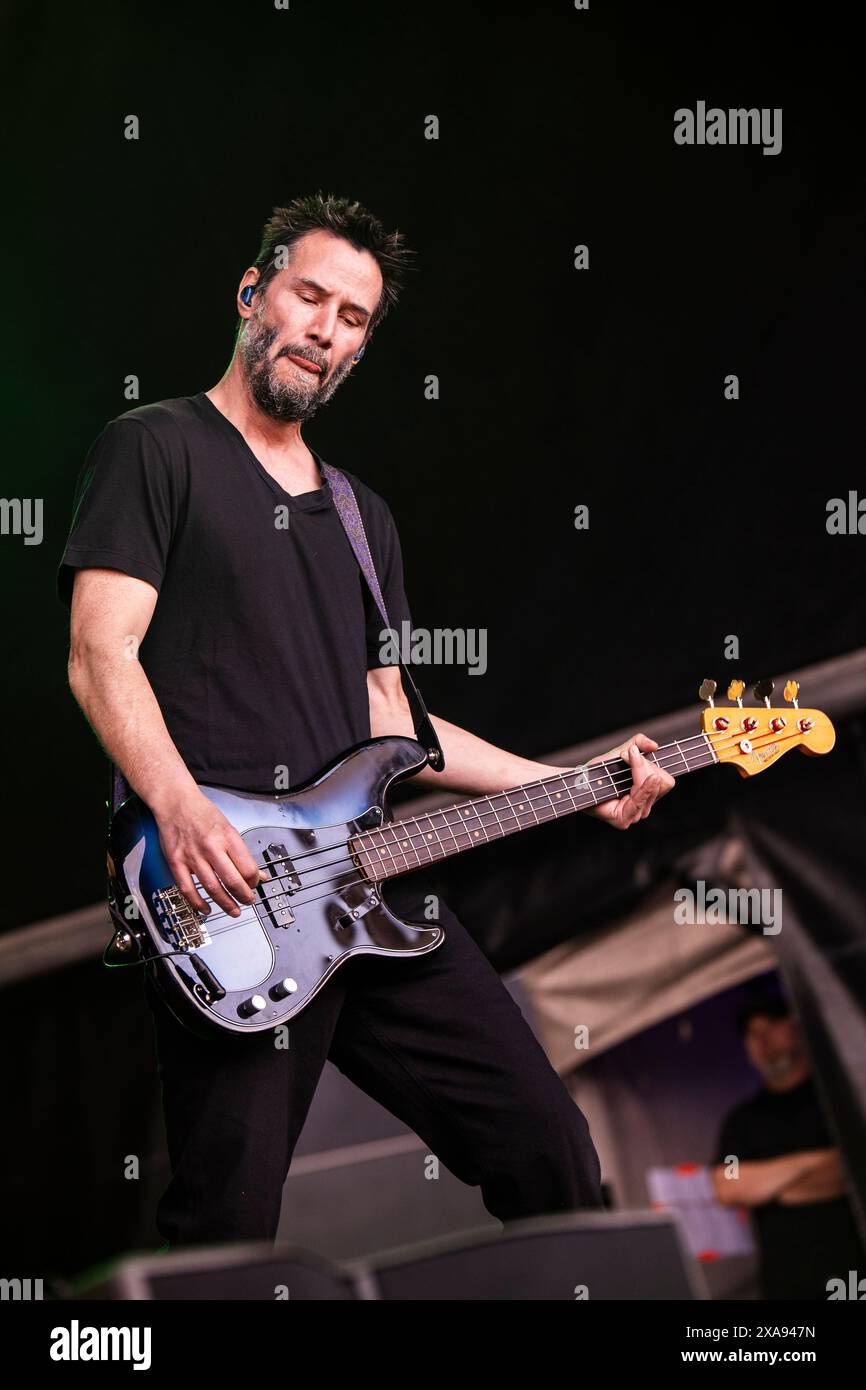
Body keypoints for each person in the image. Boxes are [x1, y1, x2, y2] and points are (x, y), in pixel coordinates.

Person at [58, 192, 675, 1247]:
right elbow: (97, 652)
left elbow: (399, 724)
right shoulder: (154, 447)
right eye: (309, 296)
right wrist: (178, 808)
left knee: (550, 1151)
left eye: (352, 319)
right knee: (230, 1220)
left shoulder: (359, 516)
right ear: (253, 294)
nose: (325, 329)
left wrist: (583, 783)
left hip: (373, 898)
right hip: (229, 891)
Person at [710, 996, 865, 1300]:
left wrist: (772, 1188)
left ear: (797, 1026)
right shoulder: (742, 1121)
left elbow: (848, 1168)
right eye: (752, 1034)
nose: (762, 1040)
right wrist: (811, 1165)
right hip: (786, 1286)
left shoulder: (837, 1100)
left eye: (771, 1026)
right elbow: (729, 1185)